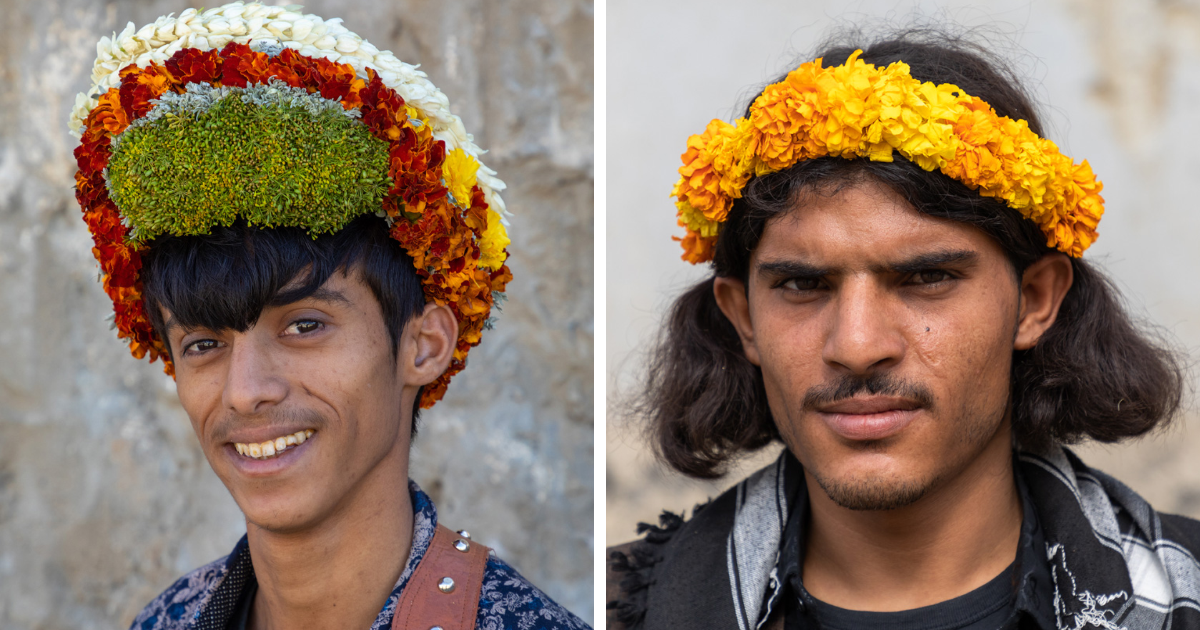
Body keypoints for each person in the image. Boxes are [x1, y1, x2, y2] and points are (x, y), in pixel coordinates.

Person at [607, 30, 1200, 630]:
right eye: (802, 285)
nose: (858, 347)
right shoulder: (623, 609)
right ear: (744, 319)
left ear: (1034, 301)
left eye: (927, 277)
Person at [69, 3, 590, 629]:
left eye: (304, 326)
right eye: (204, 343)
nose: (246, 392)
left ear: (423, 346)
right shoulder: (168, 620)